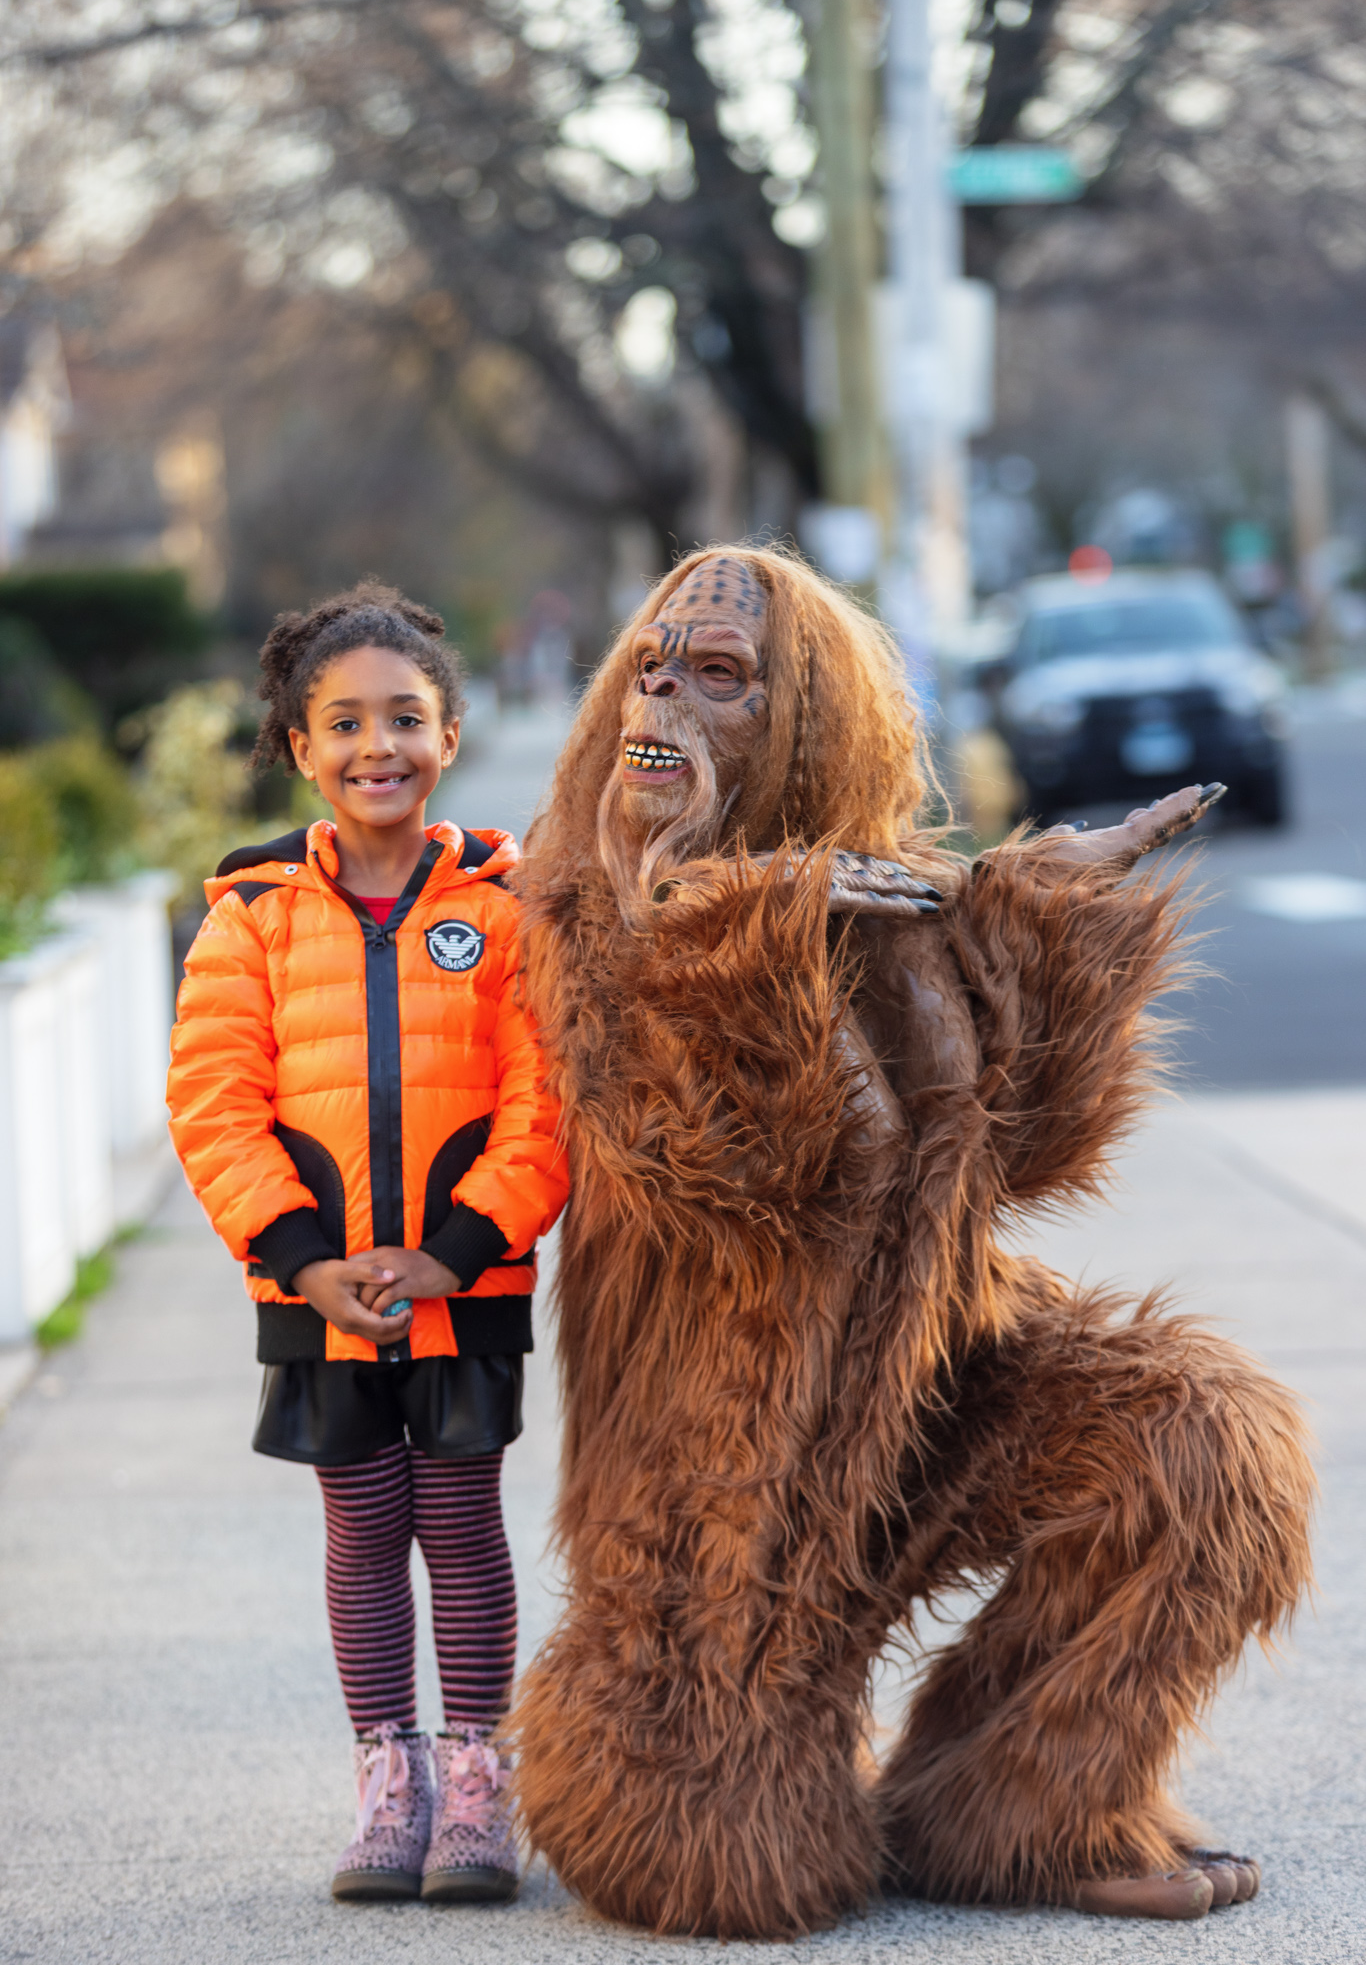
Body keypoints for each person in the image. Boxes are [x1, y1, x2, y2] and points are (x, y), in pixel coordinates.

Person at [510, 545, 1312, 1938]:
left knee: (1205, 1442)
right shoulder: (598, 906)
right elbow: (715, 1175)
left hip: (926, 1392)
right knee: (723, 1861)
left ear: (807, 728)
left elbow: (1031, 1149)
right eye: (651, 666)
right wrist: (710, 917)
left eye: (720, 680)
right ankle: (704, 1746)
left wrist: (1038, 919)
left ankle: (1020, 1812)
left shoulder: (882, 897)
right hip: (729, 1488)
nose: (667, 700)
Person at [167, 582, 568, 1905]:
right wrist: (300, 1257)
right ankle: (385, 1778)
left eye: (405, 718)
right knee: (360, 1529)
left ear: (450, 734)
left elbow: (547, 1099)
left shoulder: (506, 907)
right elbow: (213, 1105)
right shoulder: (252, 915)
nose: (374, 748)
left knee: (459, 1523)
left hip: (467, 1283)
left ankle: (473, 1781)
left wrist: (460, 1248)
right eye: (343, 724)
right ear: (298, 747)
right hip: (317, 1289)